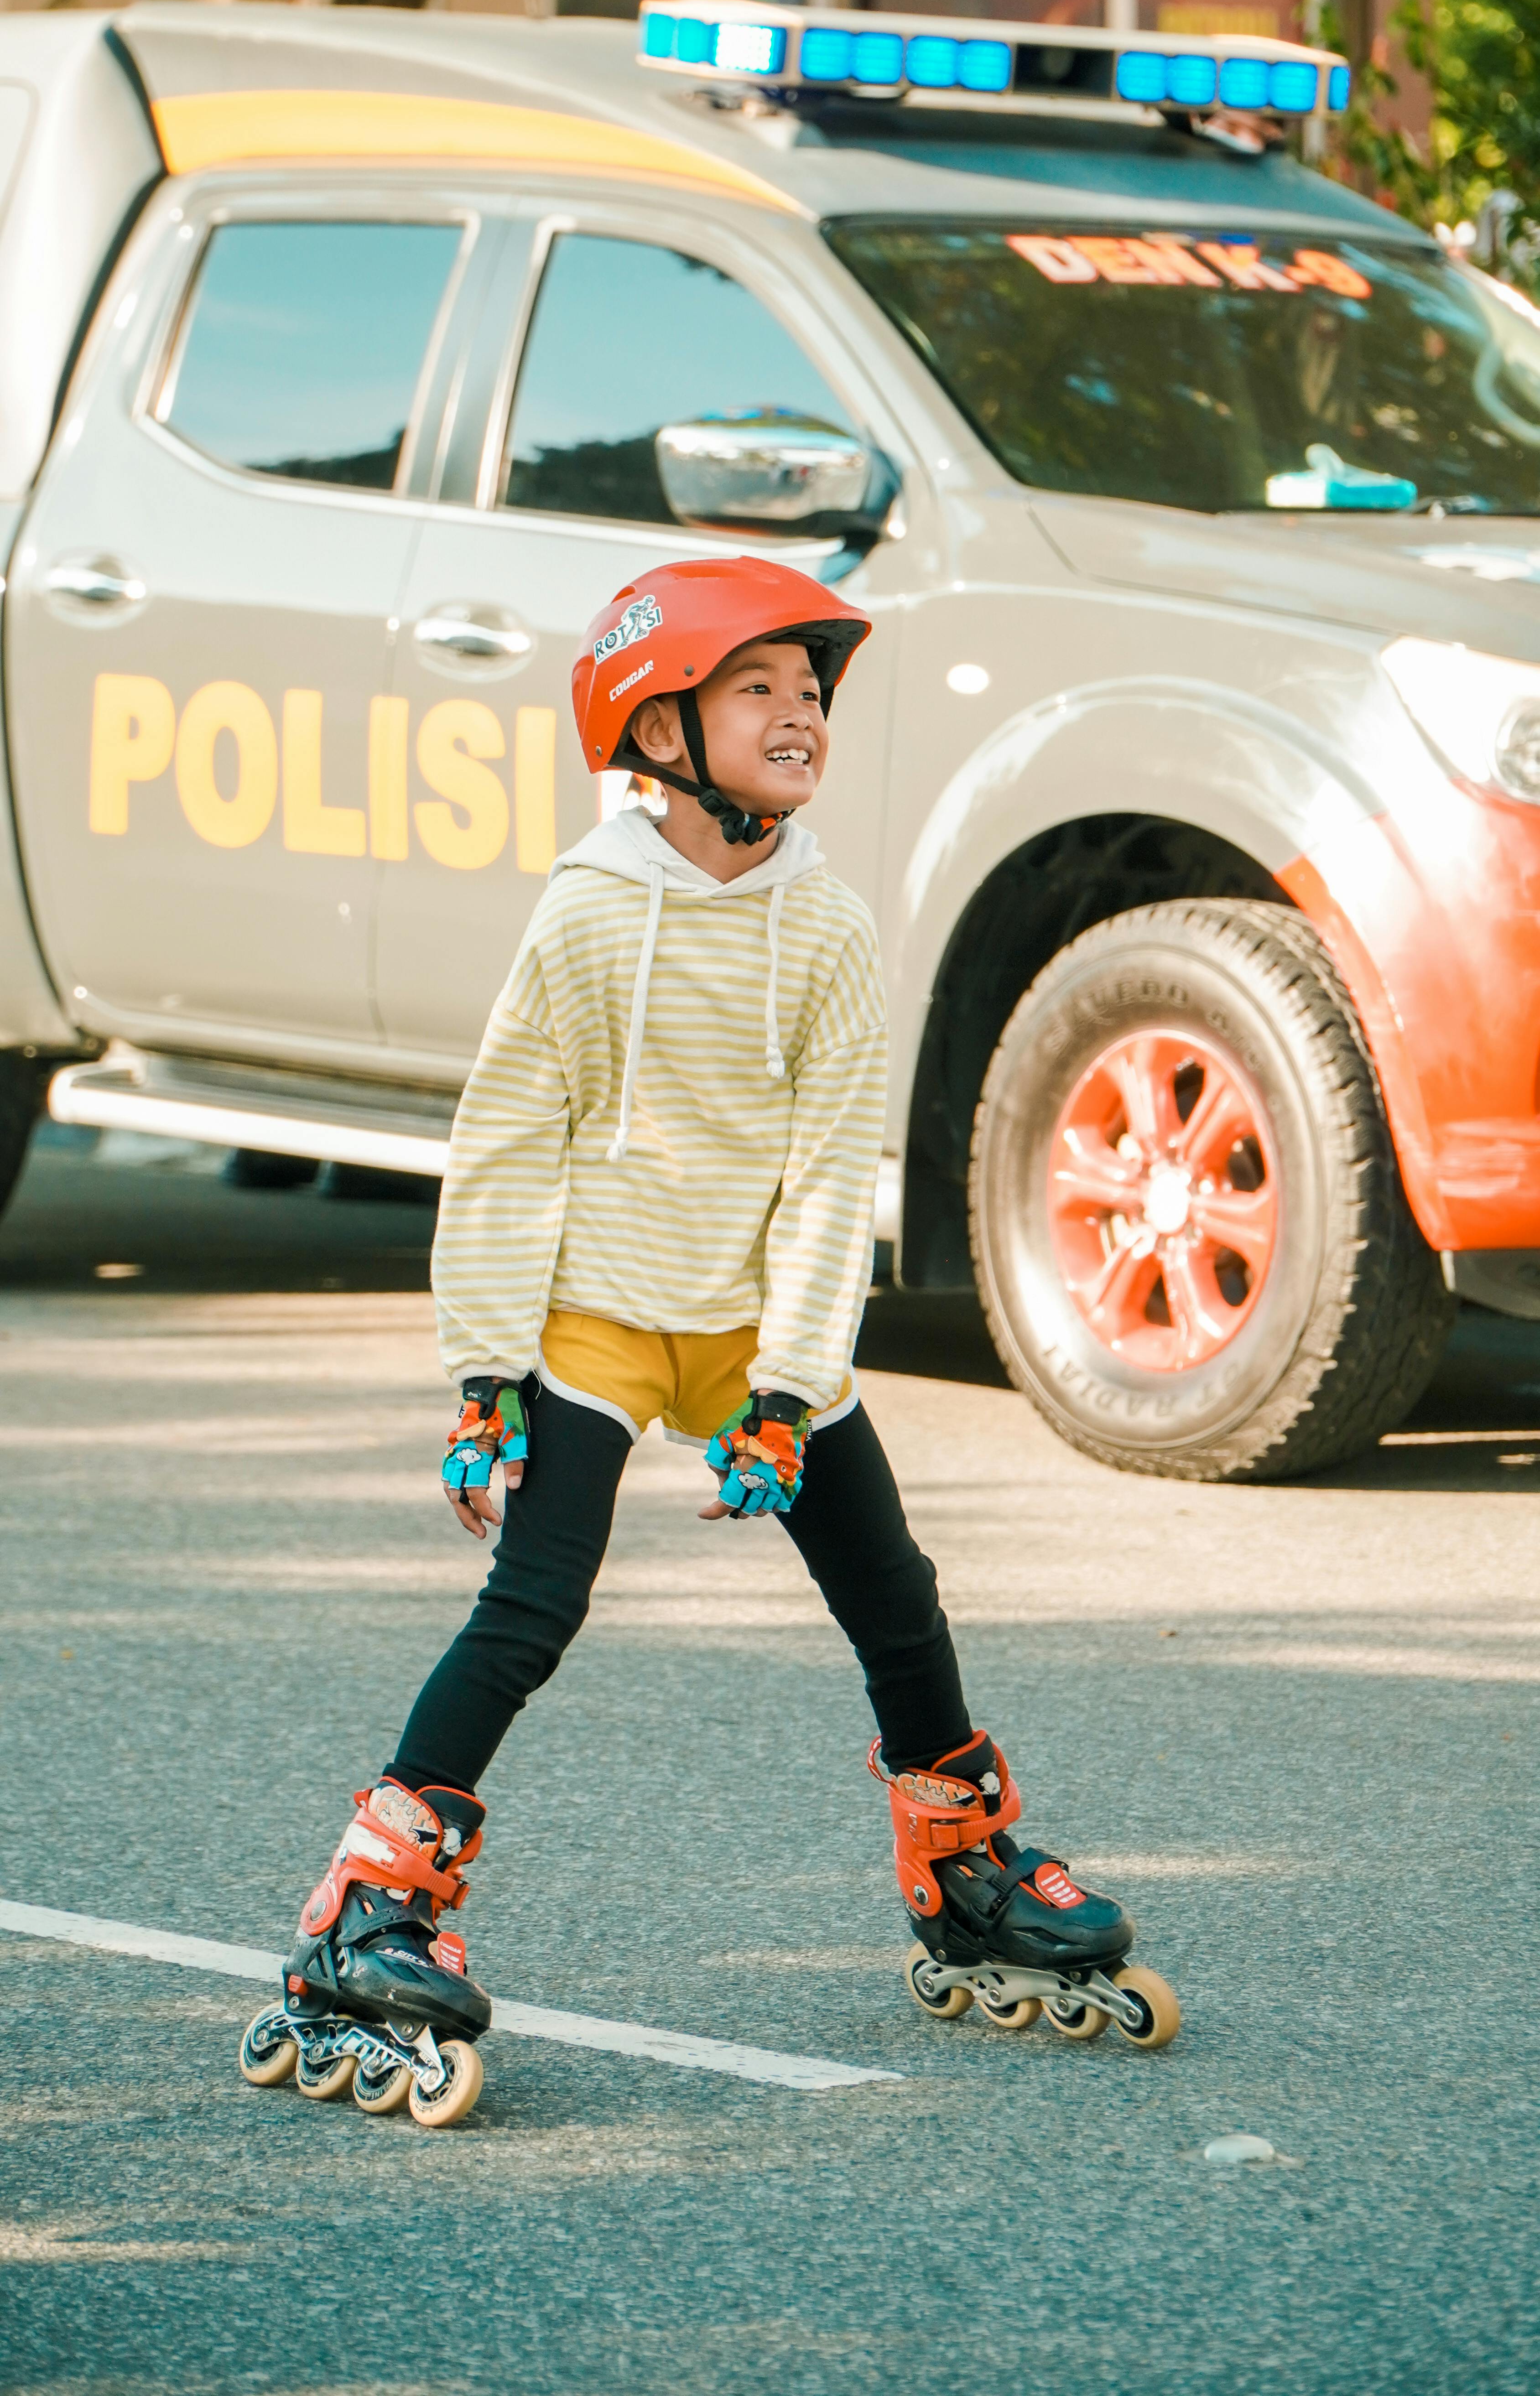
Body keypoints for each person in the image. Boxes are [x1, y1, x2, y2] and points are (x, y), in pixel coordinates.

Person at [255, 556, 1169, 2126]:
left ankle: (961, 1871)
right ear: (660, 722)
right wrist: (483, 1368)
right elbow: (512, 1132)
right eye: (761, 690)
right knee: (532, 1606)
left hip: (754, 1330)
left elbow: (829, 1167)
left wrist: (792, 1388)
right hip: (599, 1318)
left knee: (894, 1591)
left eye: (812, 693)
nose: (802, 716)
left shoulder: (826, 925)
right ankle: (367, 1904)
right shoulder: (591, 912)